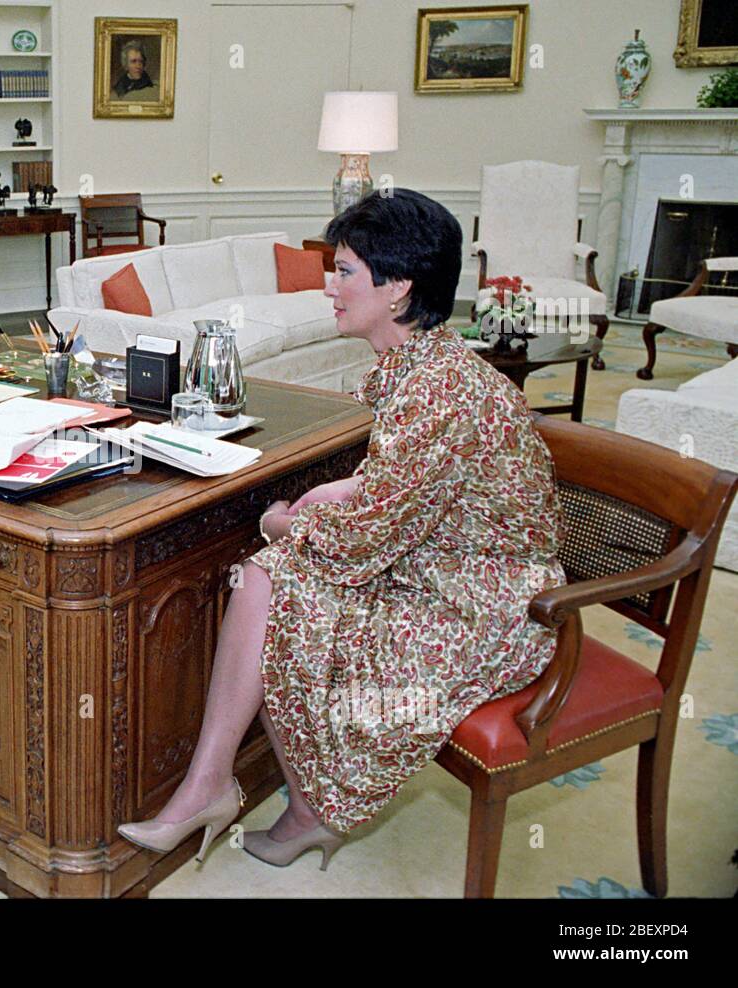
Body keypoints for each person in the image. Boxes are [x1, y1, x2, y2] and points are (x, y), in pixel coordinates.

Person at [117, 189, 566, 872]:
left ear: (399, 290)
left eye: (346, 270)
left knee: (271, 576)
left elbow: (366, 536)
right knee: (271, 580)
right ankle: (235, 790)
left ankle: (258, 797)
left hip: (493, 607)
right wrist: (340, 490)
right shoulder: (418, 365)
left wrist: (279, 519)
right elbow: (411, 476)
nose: (328, 285)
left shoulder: (439, 388)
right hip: (439, 563)